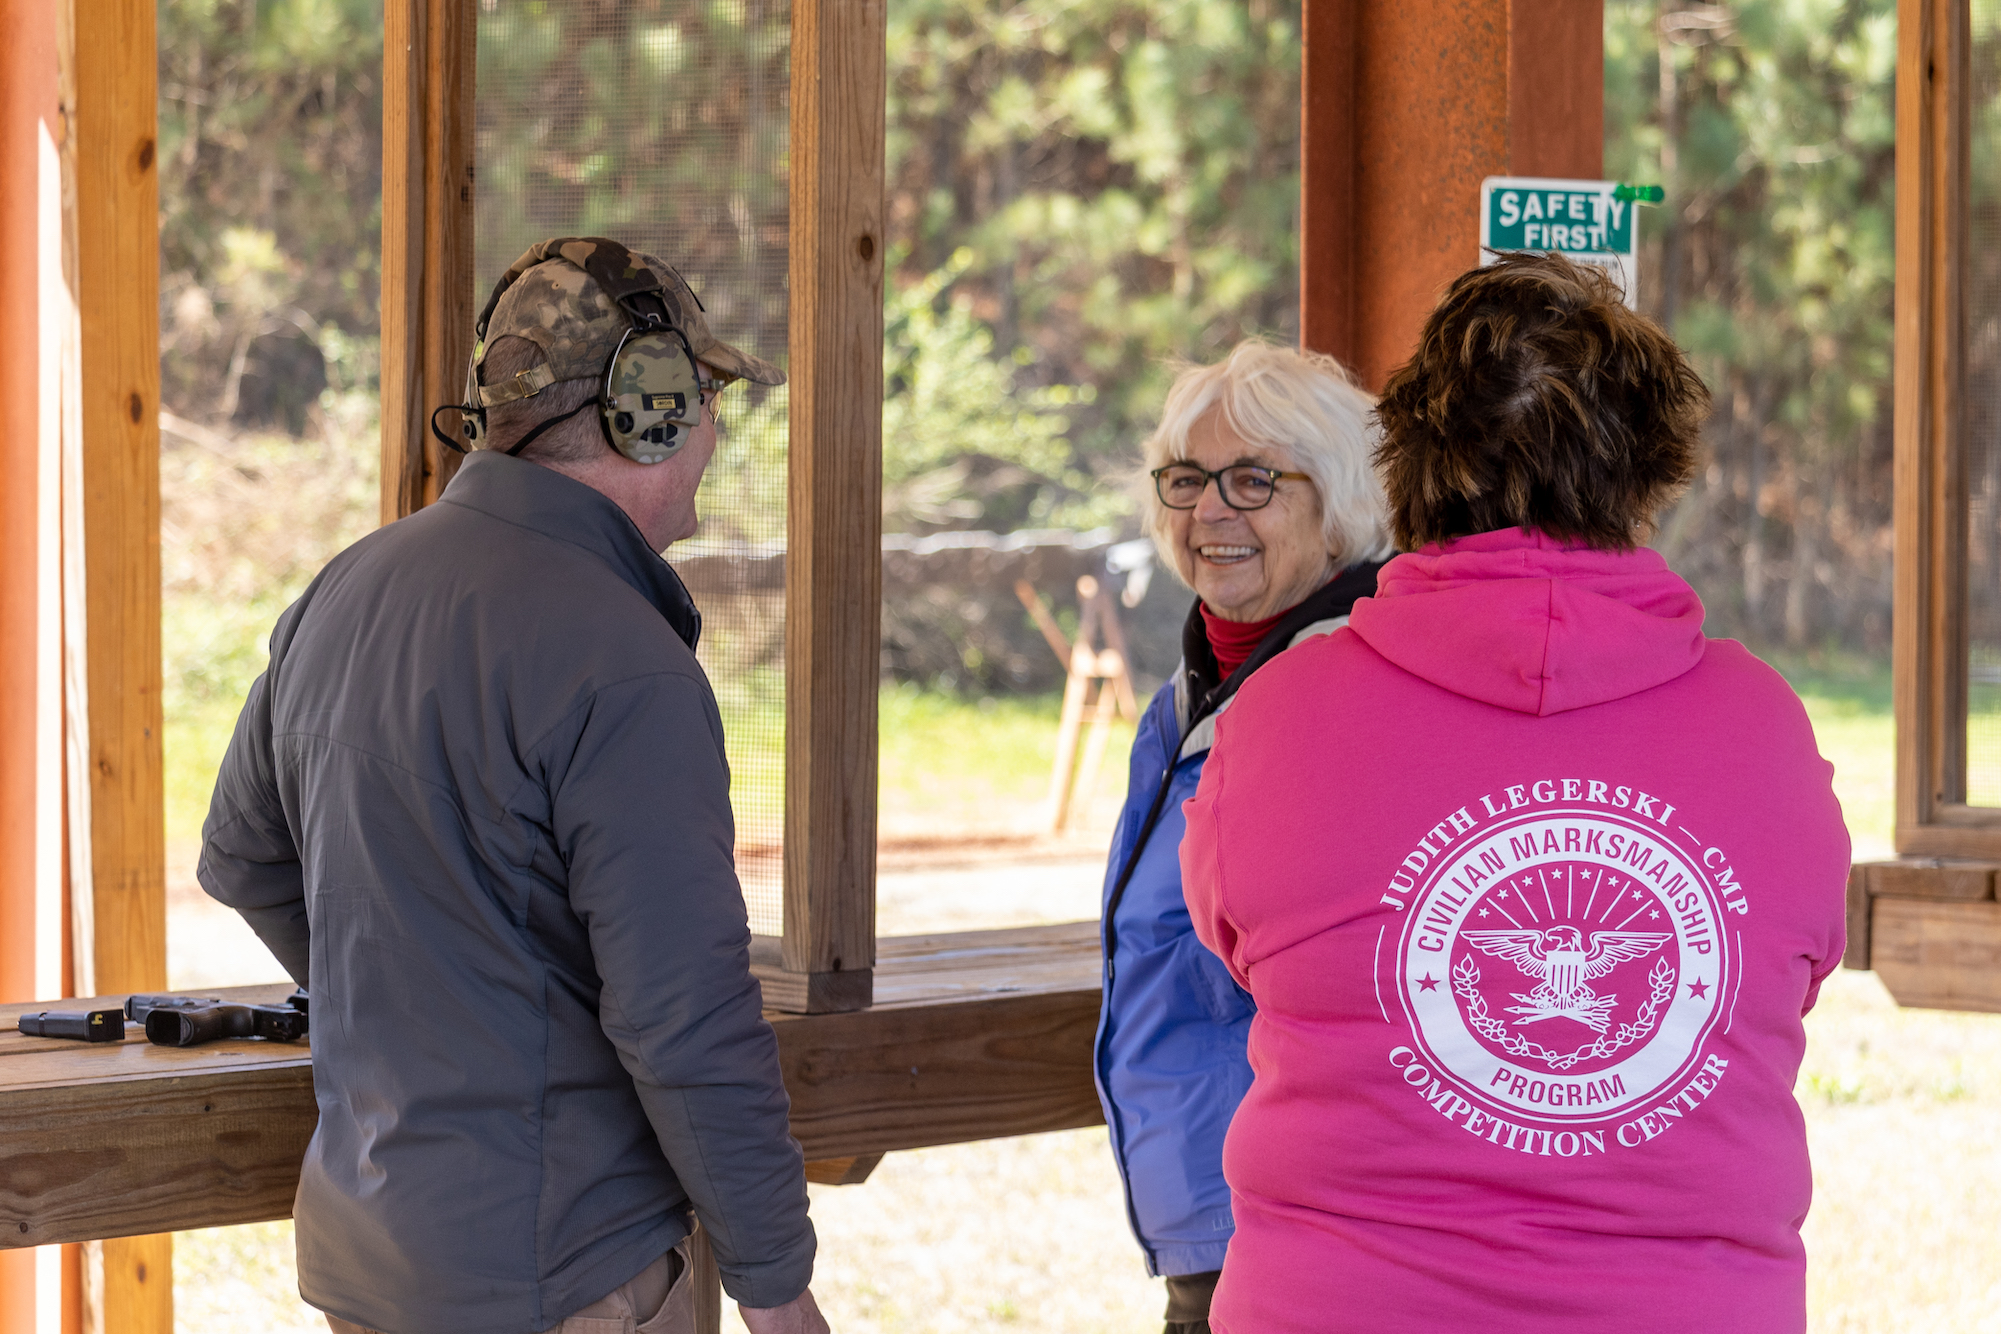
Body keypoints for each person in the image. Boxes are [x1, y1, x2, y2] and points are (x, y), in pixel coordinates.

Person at [1181, 253, 1850, 1333]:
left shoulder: (1274, 715)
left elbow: (1234, 938)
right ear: (1650, 468)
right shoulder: (1764, 724)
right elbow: (1793, 964)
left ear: (1413, 466)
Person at [200, 238, 830, 1334]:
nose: (716, 435)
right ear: (654, 409)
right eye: (704, 399)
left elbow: (242, 856)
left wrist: (422, 995)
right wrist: (777, 1286)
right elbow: (686, 1019)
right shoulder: (625, 661)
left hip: (373, 1263)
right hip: (572, 1271)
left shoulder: (345, 590)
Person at [1094, 340, 1396, 1334]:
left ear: (1341, 498)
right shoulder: (1188, 698)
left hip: (1308, 1228)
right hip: (1213, 1211)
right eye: (1187, 479)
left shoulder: (1353, 697)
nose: (1209, 510)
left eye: (1254, 480)